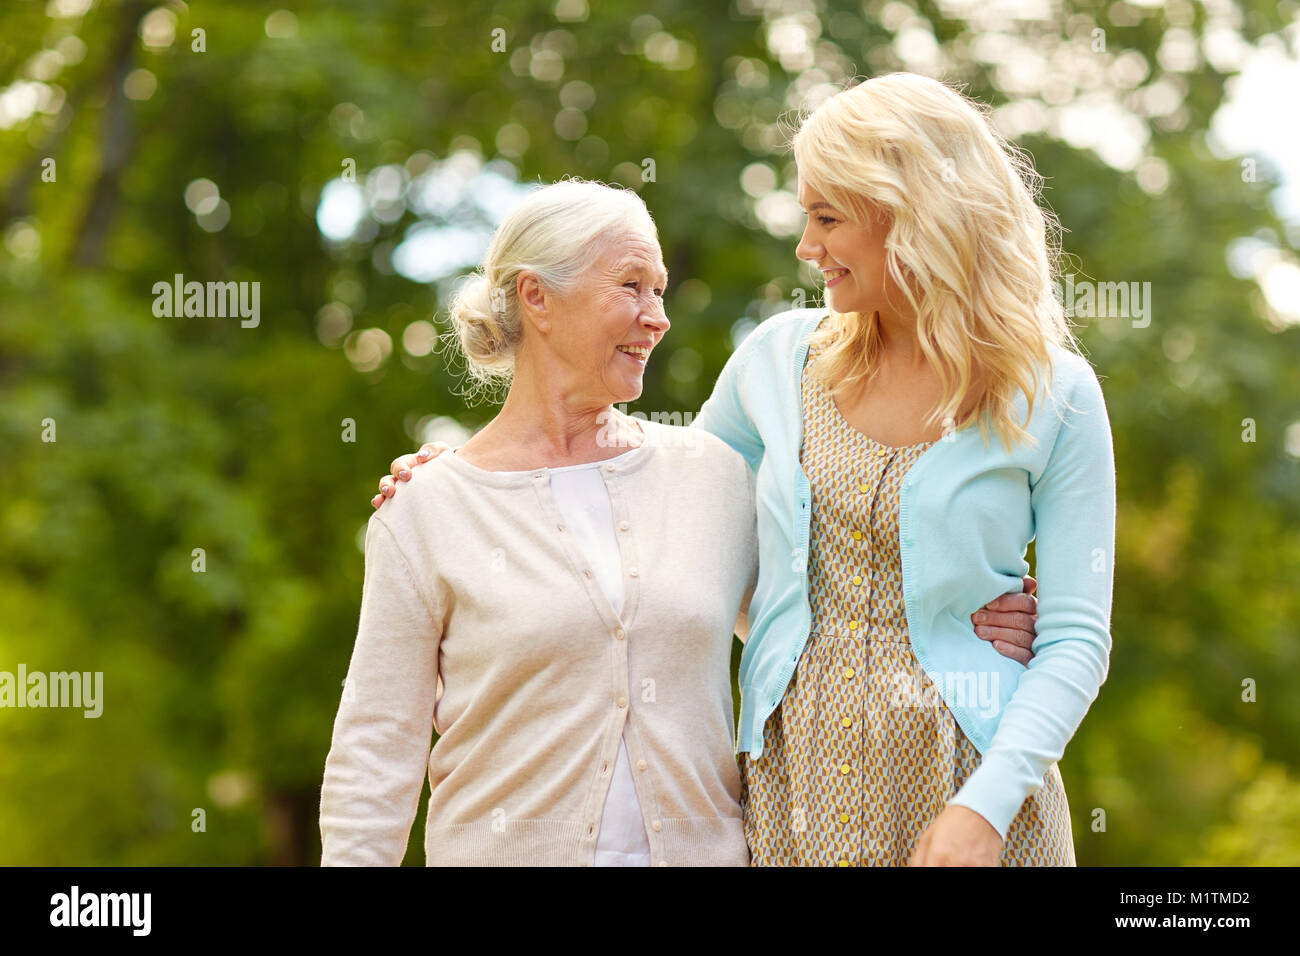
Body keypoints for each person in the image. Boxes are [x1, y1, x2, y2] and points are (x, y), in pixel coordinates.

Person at [328, 176, 1040, 868]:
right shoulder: (430, 509)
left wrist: (965, 618)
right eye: (631, 285)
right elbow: (375, 752)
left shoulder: (709, 476)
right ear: (537, 296)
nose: (658, 315)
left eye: (660, 290)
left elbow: (825, 622)